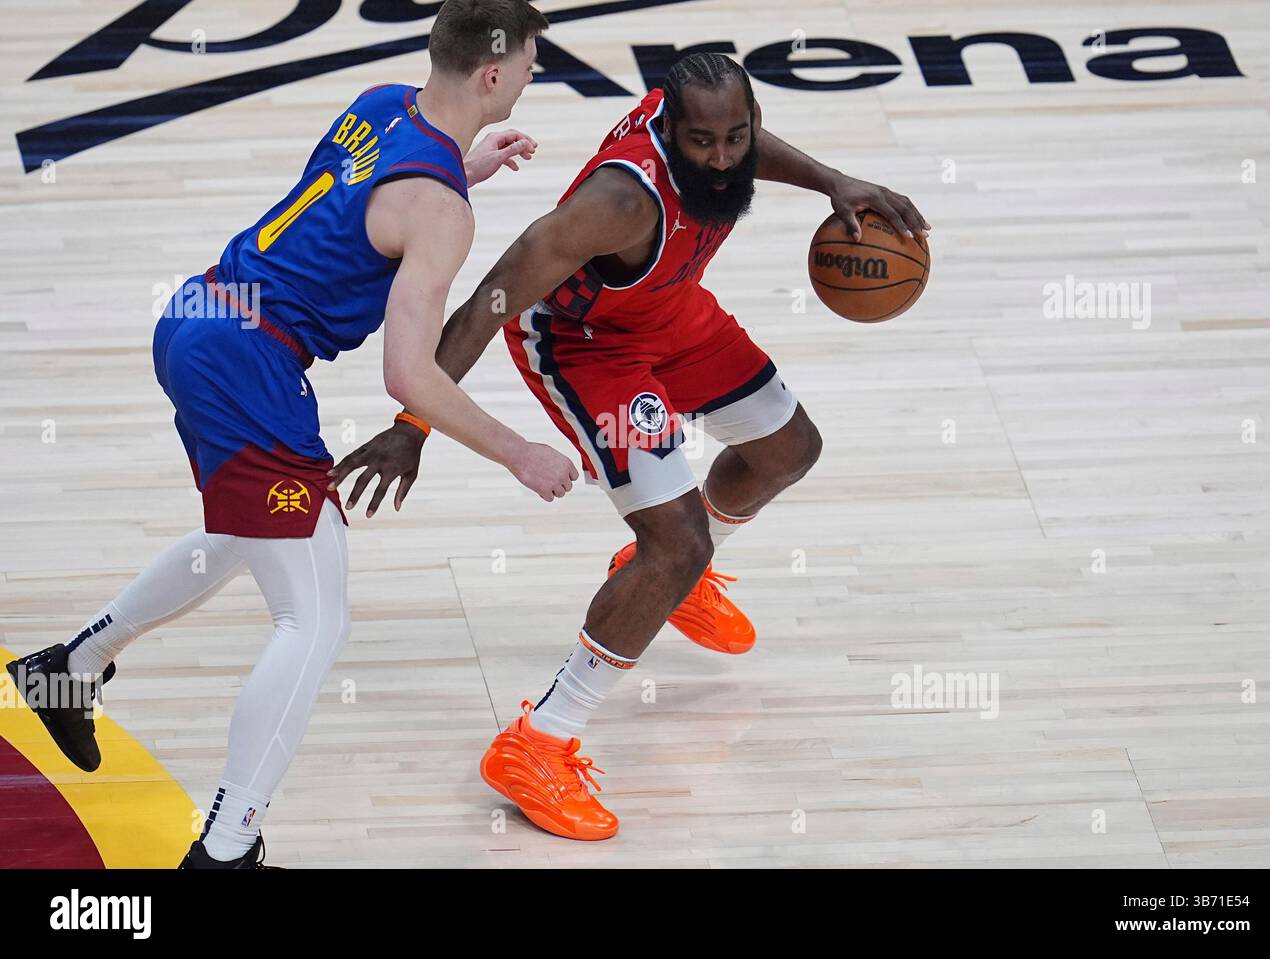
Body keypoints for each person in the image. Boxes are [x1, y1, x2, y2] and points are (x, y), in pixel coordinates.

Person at [5, 0, 574, 868]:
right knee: (314, 616)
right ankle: (229, 843)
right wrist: (519, 452)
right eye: (531, 64)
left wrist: (465, 166)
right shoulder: (439, 213)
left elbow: (363, 201)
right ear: (494, 74)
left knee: (247, 531)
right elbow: (409, 375)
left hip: (199, 312)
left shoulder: (384, 103)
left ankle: (71, 666)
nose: (534, 77)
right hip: (249, 366)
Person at [330, 52, 930, 840]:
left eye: (734, 137)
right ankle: (536, 743)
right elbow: (489, 299)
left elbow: (746, 147)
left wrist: (831, 181)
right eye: (702, 142)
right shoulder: (617, 204)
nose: (721, 157)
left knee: (788, 447)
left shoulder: (723, 138)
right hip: (583, 345)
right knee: (672, 542)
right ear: (670, 131)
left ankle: (676, 575)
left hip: (669, 309)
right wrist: (414, 423)